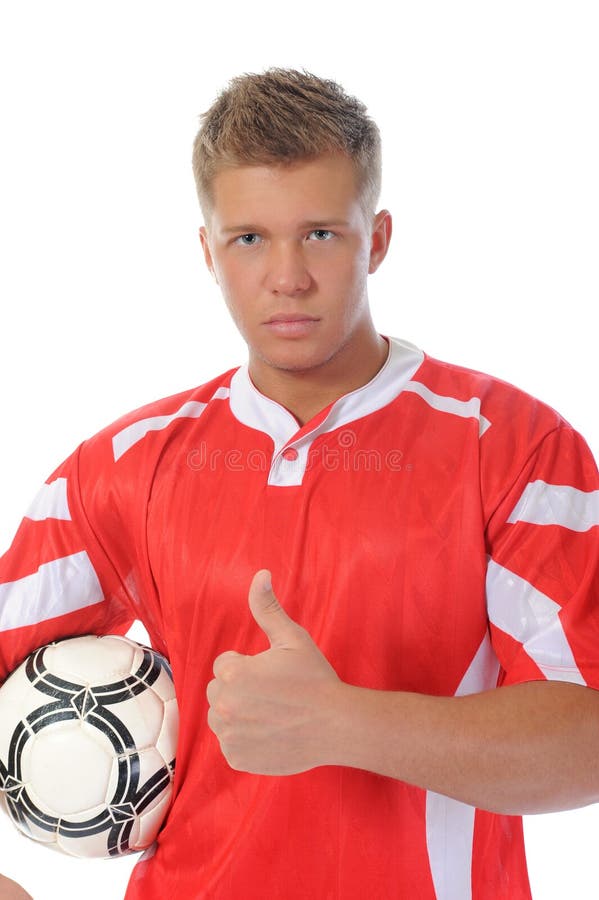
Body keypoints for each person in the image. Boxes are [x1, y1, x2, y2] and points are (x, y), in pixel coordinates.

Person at [1, 68, 598, 900]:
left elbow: (586, 739)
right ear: (208, 251)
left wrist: (344, 724)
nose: (286, 277)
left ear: (377, 237)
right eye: (248, 238)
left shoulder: (515, 448)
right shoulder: (123, 464)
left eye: (320, 233)